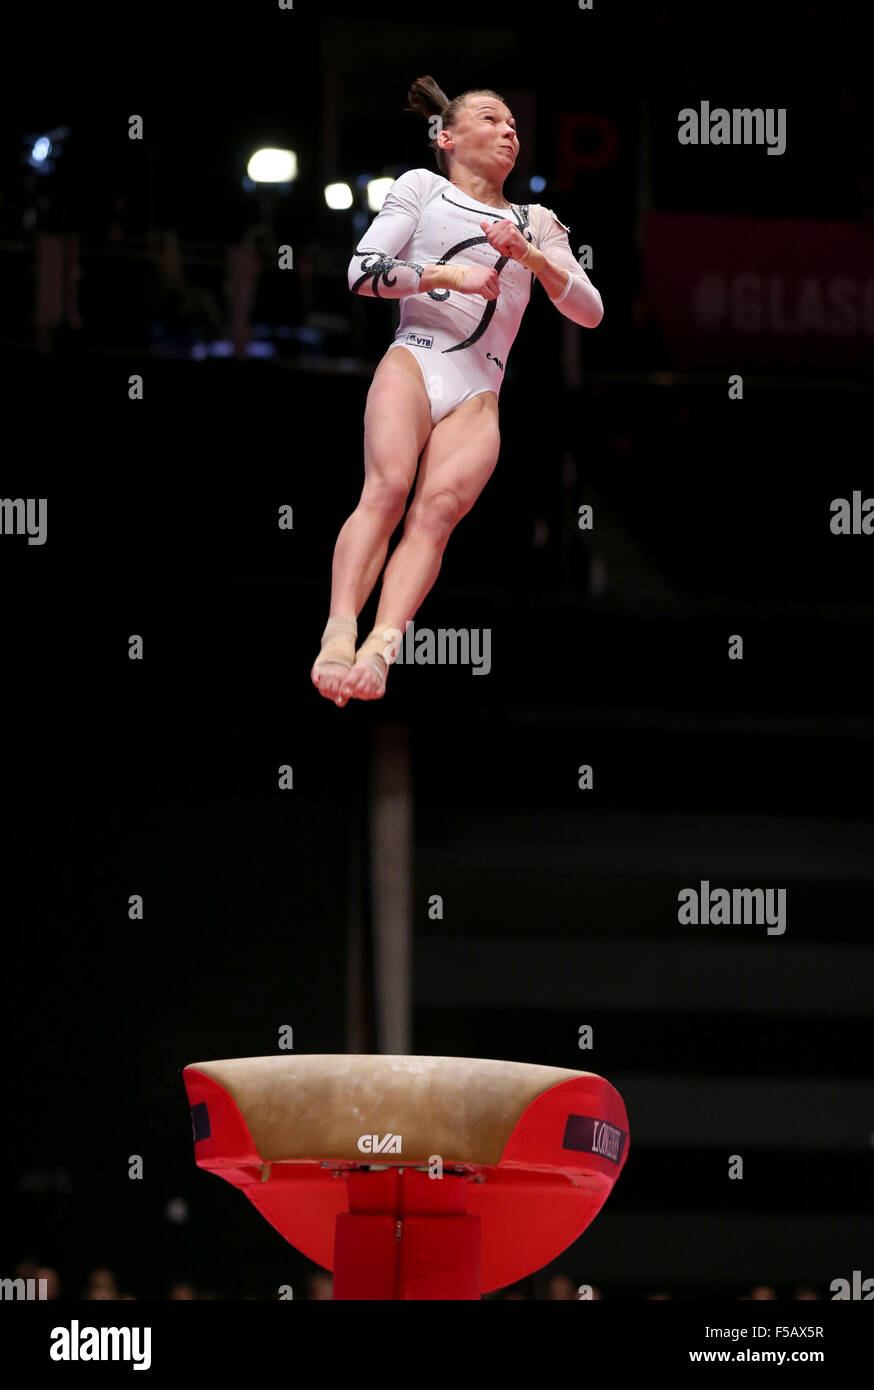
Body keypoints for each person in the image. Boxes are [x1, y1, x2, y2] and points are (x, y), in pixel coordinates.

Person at [312, 74, 603, 705]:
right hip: (415, 359)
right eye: (494, 120)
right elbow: (363, 273)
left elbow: (590, 311)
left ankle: (381, 648)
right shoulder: (423, 189)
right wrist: (448, 273)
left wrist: (529, 255)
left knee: (435, 516)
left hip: (479, 390)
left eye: (515, 126)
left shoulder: (537, 222)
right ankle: (339, 631)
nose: (509, 132)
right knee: (386, 489)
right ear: (446, 136)